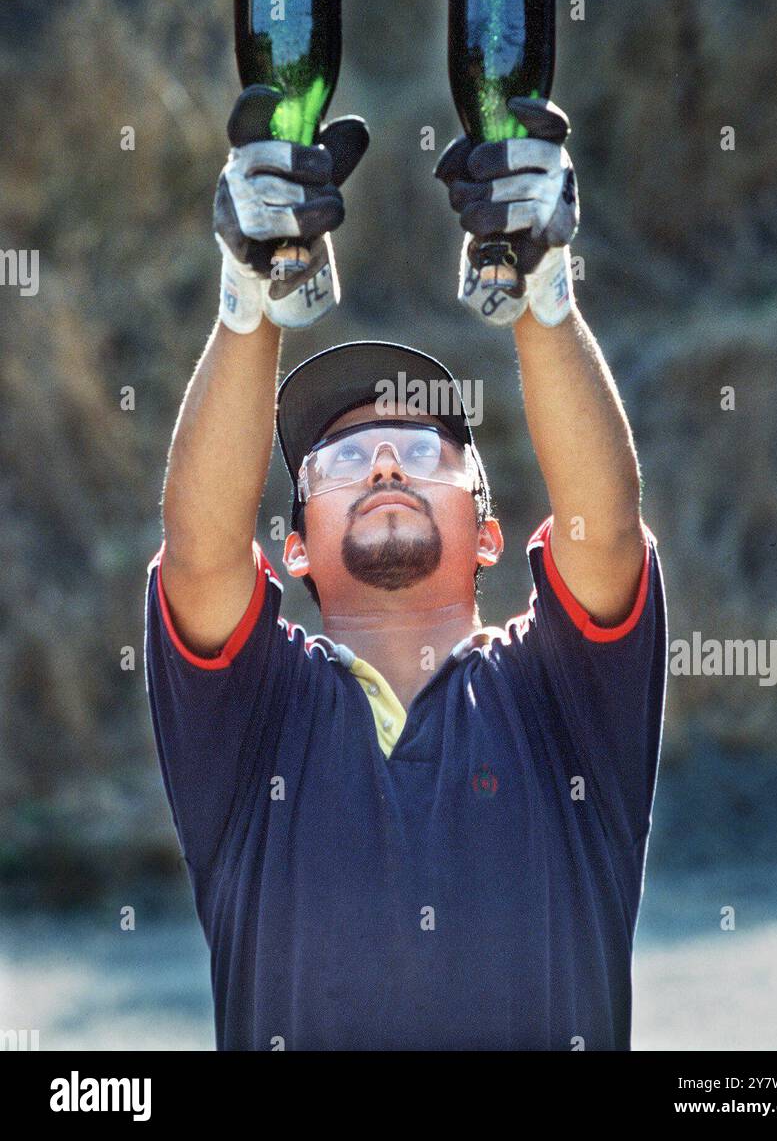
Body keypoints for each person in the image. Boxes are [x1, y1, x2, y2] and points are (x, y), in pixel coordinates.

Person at [144, 83, 667, 1051]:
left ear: (488, 533)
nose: (384, 460)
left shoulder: (563, 698)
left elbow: (607, 528)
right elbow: (201, 552)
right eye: (341, 459)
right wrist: (247, 301)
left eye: (423, 451)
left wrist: (543, 296)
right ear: (292, 547)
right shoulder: (255, 715)